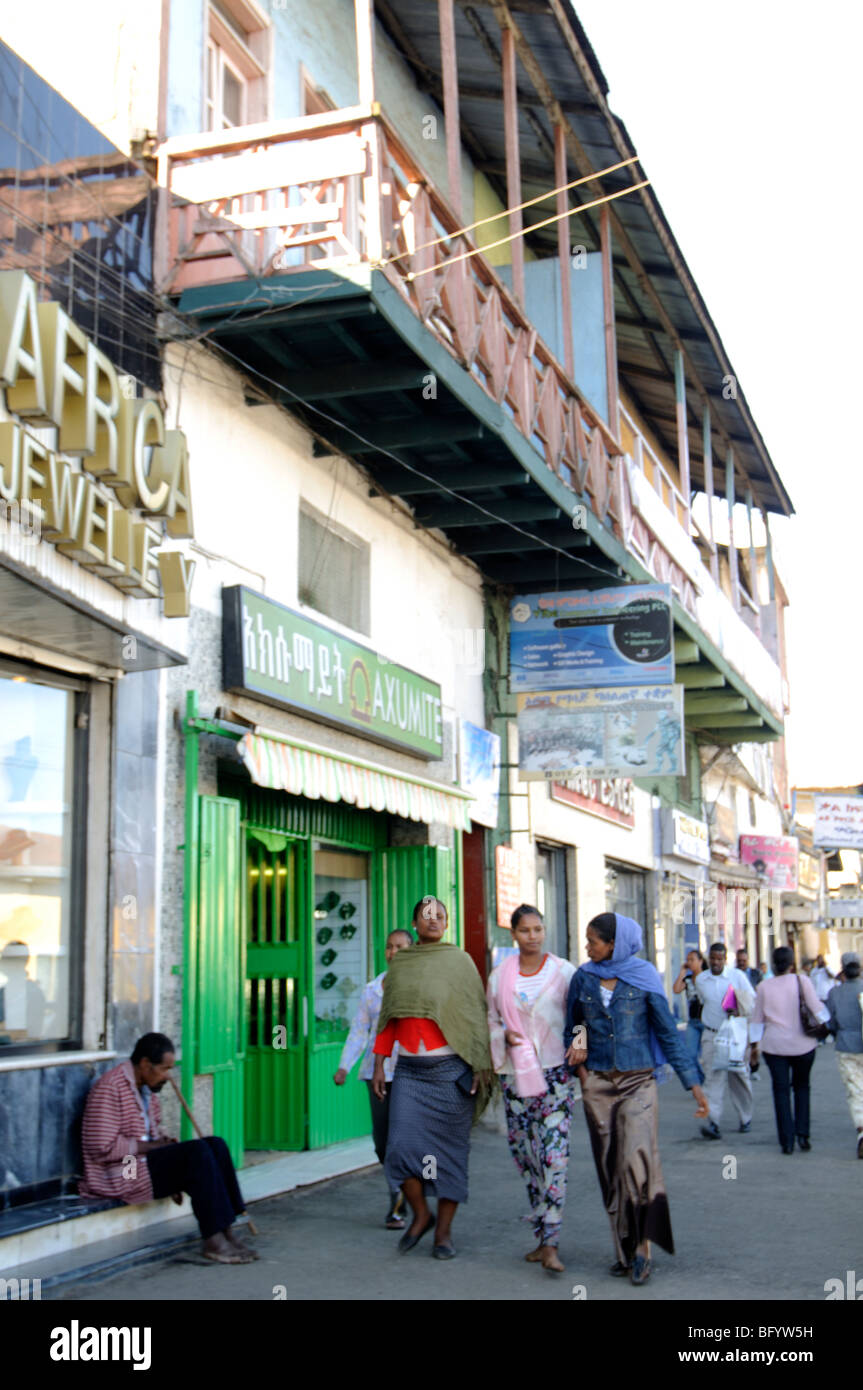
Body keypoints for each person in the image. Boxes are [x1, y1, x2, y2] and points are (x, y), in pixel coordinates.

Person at [564, 913, 708, 1287]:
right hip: (596, 1085)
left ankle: (643, 1247)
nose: (587, 946)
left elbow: (667, 1033)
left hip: (638, 1083)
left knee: (635, 1161)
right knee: (610, 1170)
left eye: (592, 940)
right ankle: (623, 1250)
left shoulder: (643, 977)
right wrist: (578, 1046)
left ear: (613, 944)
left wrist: (693, 1084)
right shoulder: (583, 977)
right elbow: (573, 1025)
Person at [371, 896, 492, 1261]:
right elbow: (389, 1016)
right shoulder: (402, 964)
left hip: (451, 1071)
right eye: (426, 915)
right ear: (415, 922)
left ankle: (443, 1233)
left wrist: (480, 1065)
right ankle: (421, 1214)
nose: (433, 920)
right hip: (408, 1072)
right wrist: (379, 1064)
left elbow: (474, 1015)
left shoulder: (460, 962)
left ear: (447, 921)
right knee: (400, 1150)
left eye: (440, 915)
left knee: (450, 1155)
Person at [80, 1034, 257, 1264]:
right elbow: (101, 1147)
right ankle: (213, 1239)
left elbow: (152, 1134)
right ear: (145, 1064)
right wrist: (153, 1147)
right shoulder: (110, 1088)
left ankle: (226, 1228)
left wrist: (164, 1144)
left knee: (215, 1145)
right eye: (164, 1069)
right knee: (196, 1154)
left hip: (142, 1162)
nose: (168, 1076)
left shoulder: (147, 1089)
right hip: (122, 1171)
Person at [486, 904, 576, 1273]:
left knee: (554, 1158)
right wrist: (501, 1035)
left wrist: (580, 1050)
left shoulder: (564, 972)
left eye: (538, 929)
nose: (533, 936)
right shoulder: (499, 976)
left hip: (555, 1078)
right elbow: (489, 1019)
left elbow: (580, 1019)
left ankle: (552, 1242)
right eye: (525, 930)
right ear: (514, 935)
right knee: (527, 1158)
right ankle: (542, 1238)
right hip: (515, 1080)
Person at [333, 927, 413, 1228]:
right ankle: (402, 1188)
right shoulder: (372, 990)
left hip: (411, 1071)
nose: (395, 952)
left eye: (401, 947)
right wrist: (345, 1066)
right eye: (390, 947)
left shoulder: (421, 986)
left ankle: (398, 1202)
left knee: (401, 1140)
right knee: (382, 1142)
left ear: (412, 949)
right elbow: (359, 1031)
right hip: (376, 1073)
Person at [750, 946, 828, 1154]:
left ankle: (787, 1141)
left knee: (780, 1091)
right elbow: (818, 1010)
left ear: (773, 964)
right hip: (804, 1046)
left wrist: (753, 1048)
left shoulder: (763, 987)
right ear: (792, 963)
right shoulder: (802, 981)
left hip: (774, 1047)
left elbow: (756, 1021)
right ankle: (803, 1135)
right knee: (802, 1087)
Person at [695, 942, 756, 1139]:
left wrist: (737, 1008)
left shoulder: (736, 976)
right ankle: (713, 1122)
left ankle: (745, 1117)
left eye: (720, 959)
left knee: (739, 1077)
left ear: (725, 959)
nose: (716, 962)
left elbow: (752, 1000)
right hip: (712, 1035)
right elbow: (703, 1003)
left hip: (734, 1035)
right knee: (712, 1077)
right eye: (713, 958)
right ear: (708, 958)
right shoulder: (701, 979)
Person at [826, 951, 863, 1158]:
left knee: (855, 1092)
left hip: (846, 1047)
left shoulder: (834, 994)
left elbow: (830, 1024)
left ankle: (861, 1132)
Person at [672, 949, 707, 1084]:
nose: (690, 962)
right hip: (693, 1022)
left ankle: (711, 1080)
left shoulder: (707, 977)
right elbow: (676, 989)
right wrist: (682, 971)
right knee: (690, 1054)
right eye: (688, 960)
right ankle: (701, 1079)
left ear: (700, 961)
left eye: (692, 959)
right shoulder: (687, 980)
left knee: (709, 1054)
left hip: (707, 1021)